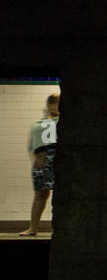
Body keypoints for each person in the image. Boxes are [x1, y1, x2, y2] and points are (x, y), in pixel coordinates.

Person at [20, 93, 59, 236]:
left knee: (59, 194)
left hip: (56, 157)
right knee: (40, 194)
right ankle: (33, 227)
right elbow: (33, 146)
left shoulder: (64, 121)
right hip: (42, 158)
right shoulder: (39, 124)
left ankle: (59, 227)